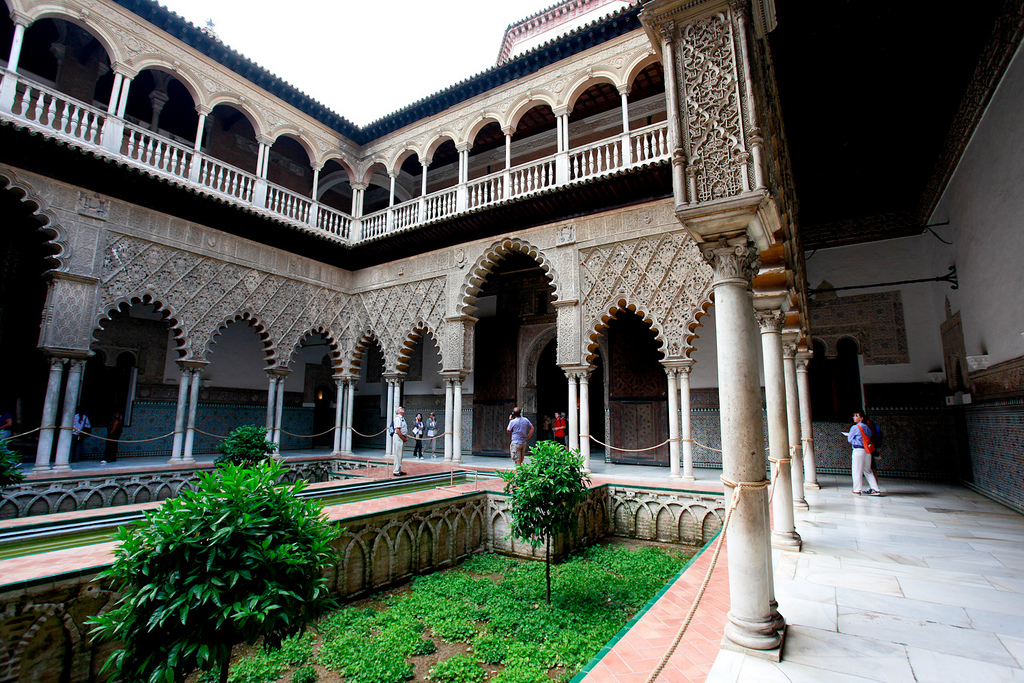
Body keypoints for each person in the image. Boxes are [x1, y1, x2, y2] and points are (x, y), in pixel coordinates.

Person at [846, 411, 881, 495]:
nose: (854, 417)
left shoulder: (855, 427)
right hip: (867, 451)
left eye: (856, 416)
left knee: (857, 470)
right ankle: (875, 489)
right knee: (868, 470)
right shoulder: (867, 428)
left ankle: (857, 489)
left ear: (861, 418)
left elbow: (850, 440)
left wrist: (854, 439)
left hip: (858, 451)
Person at [391, 406, 408, 476]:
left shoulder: (402, 418)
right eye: (400, 409)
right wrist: (403, 438)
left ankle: (399, 469)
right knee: (398, 454)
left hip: (401, 437)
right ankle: (396, 471)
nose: (402, 409)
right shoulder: (398, 418)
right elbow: (397, 430)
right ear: (398, 411)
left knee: (400, 454)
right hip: (398, 437)